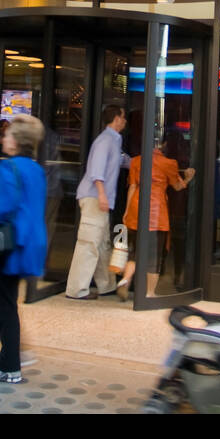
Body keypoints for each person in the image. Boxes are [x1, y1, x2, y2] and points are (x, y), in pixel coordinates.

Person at [0, 114, 48, 384]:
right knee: (9, 303)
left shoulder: (8, 169)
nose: (3, 138)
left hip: (12, 244)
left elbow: (5, 208)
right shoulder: (37, 169)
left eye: (7, 134)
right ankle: (12, 361)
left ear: (17, 141)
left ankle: (8, 365)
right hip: (32, 242)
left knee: (4, 306)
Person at [117, 130, 193, 301]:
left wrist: (127, 211)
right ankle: (149, 293)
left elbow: (132, 187)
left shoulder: (136, 161)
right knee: (154, 255)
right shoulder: (169, 163)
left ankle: (126, 279)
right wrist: (187, 178)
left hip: (136, 209)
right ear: (162, 145)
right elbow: (177, 186)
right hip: (157, 213)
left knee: (135, 251)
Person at [65, 105, 131, 300]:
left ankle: (107, 285)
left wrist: (143, 162)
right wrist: (102, 195)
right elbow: (96, 171)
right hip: (95, 198)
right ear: (117, 119)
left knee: (101, 243)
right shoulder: (105, 141)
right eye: (123, 116)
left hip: (101, 200)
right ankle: (76, 290)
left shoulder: (114, 141)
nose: (125, 120)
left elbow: (122, 160)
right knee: (89, 243)